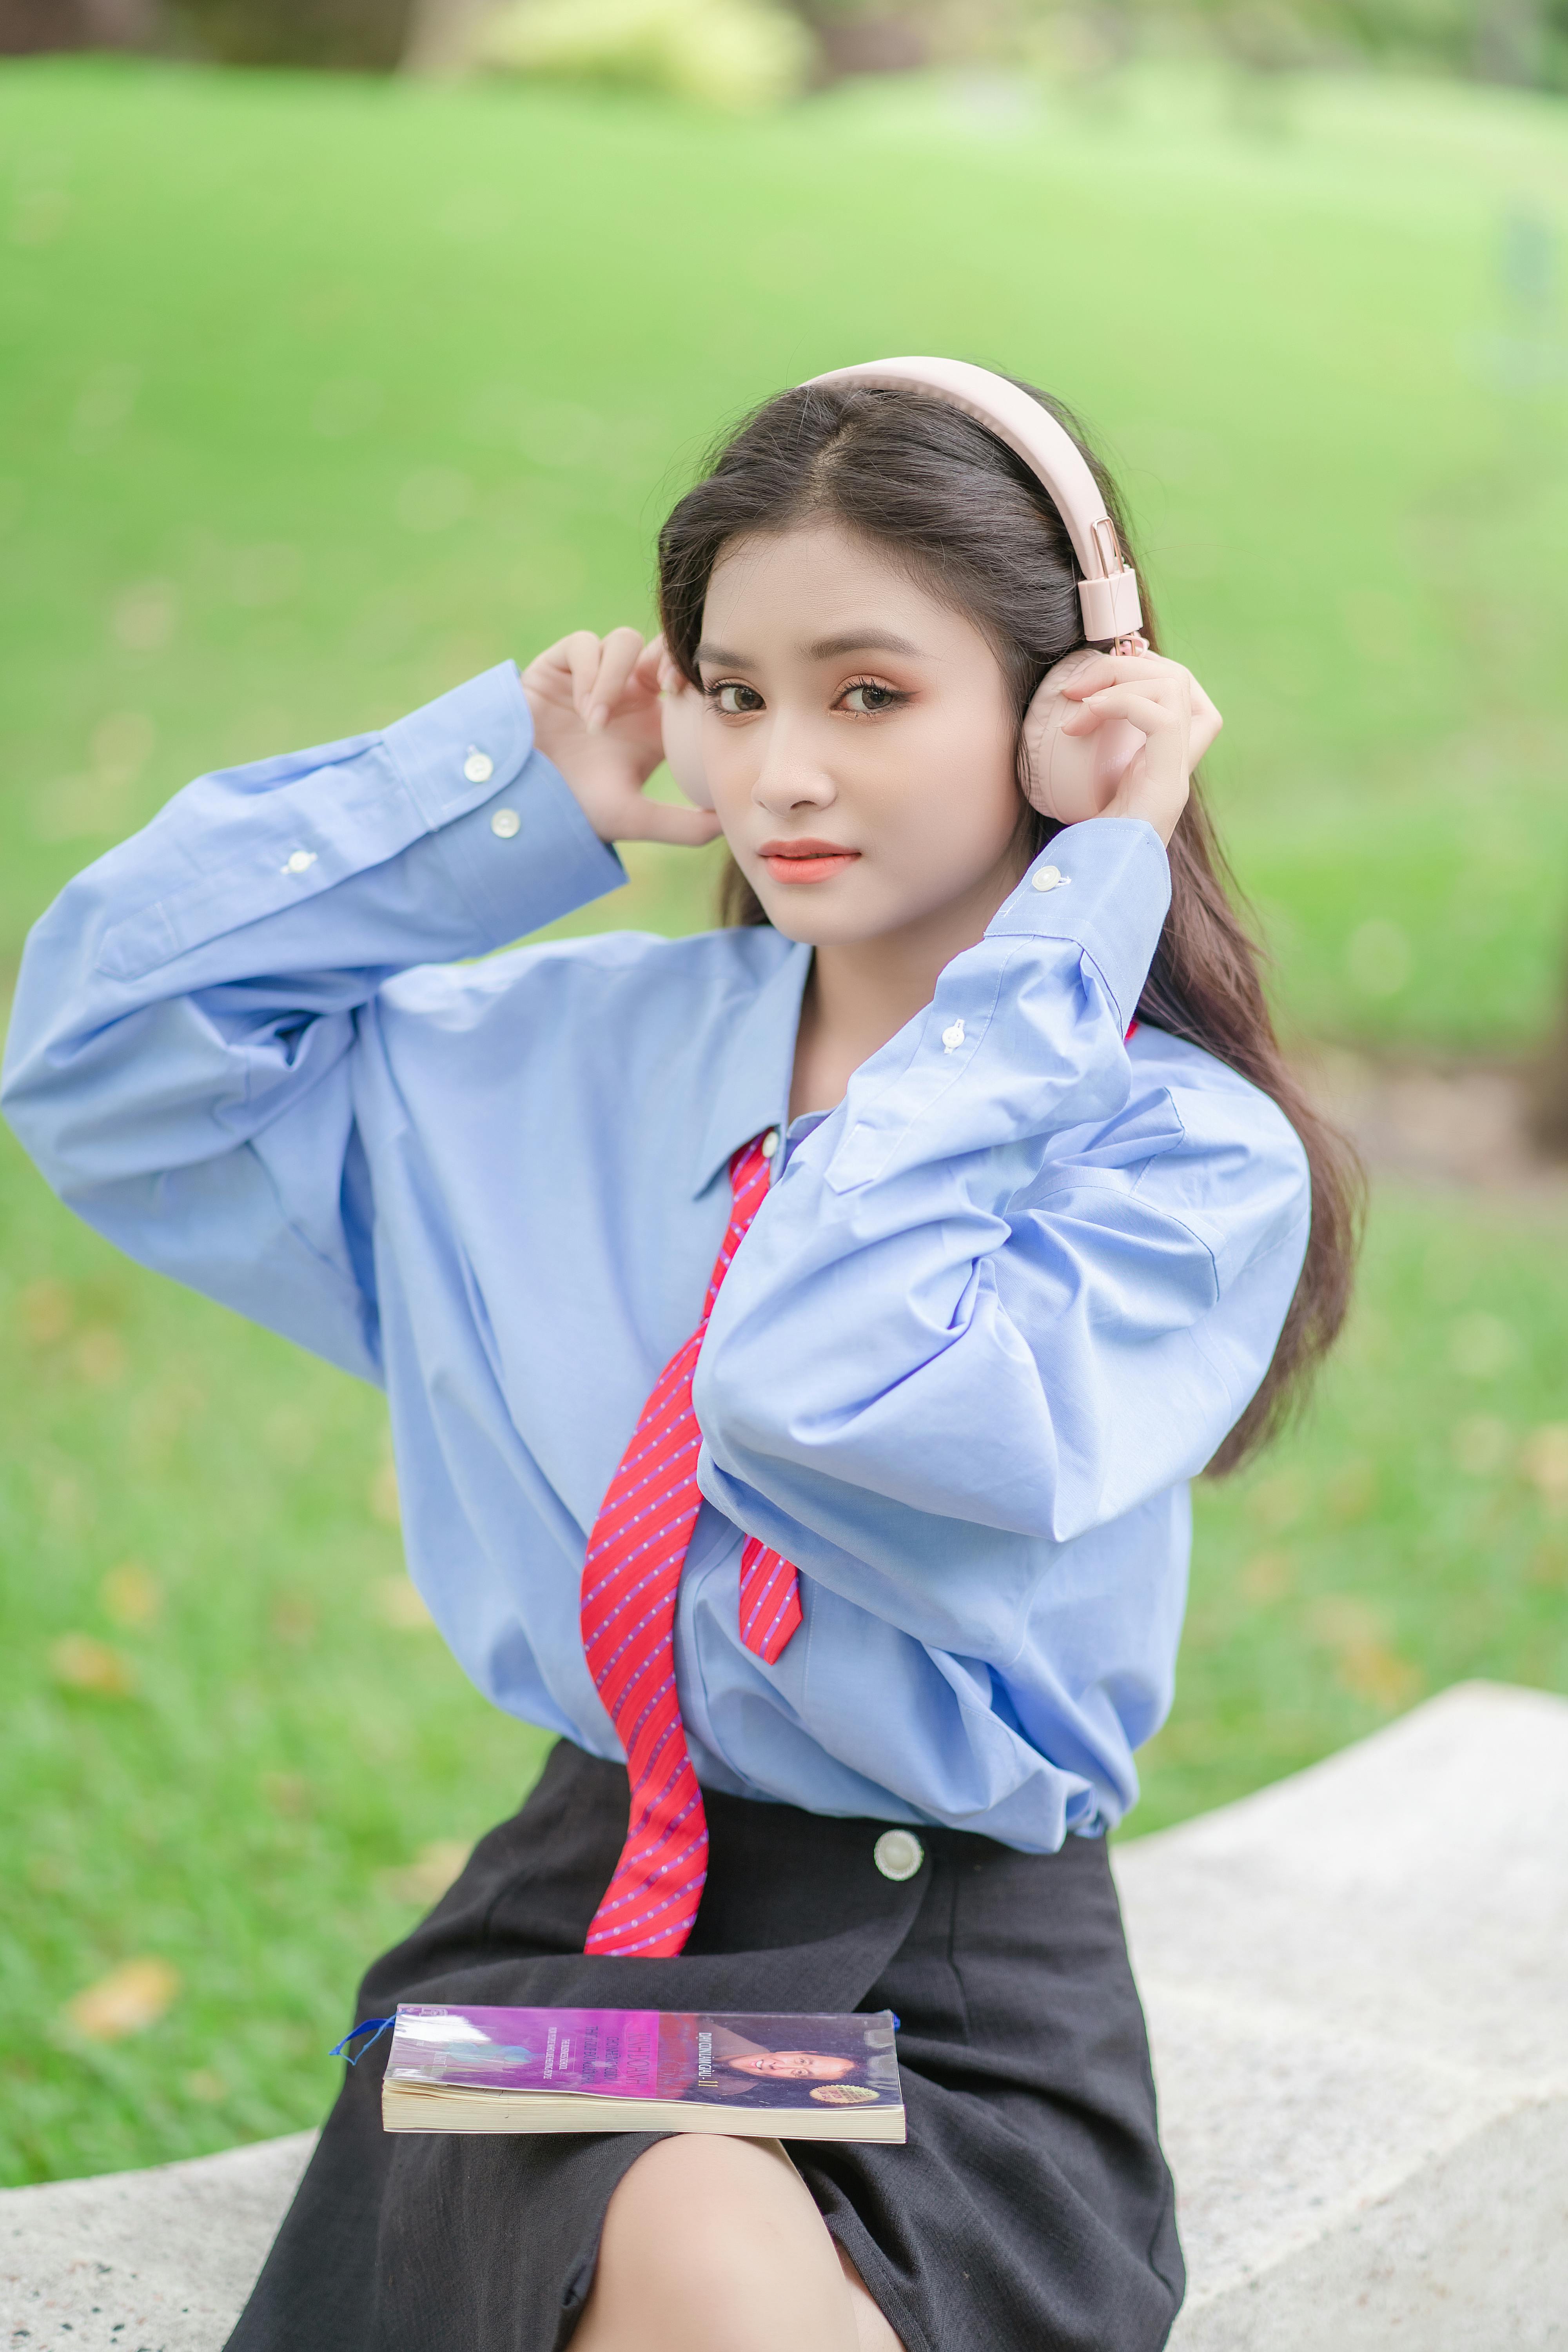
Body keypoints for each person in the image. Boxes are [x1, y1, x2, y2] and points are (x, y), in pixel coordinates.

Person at [1, 363, 1360, 2352]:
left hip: (955, 1983)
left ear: (1068, 713)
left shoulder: (1170, 1158)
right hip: (577, 1928)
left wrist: (1082, 911)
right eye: (735, 691)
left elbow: (822, 1380)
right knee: (680, 2220)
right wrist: (494, 806)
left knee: (719, 2252)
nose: (782, 772)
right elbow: (105, 1061)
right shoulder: (550, 1064)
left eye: (869, 695)